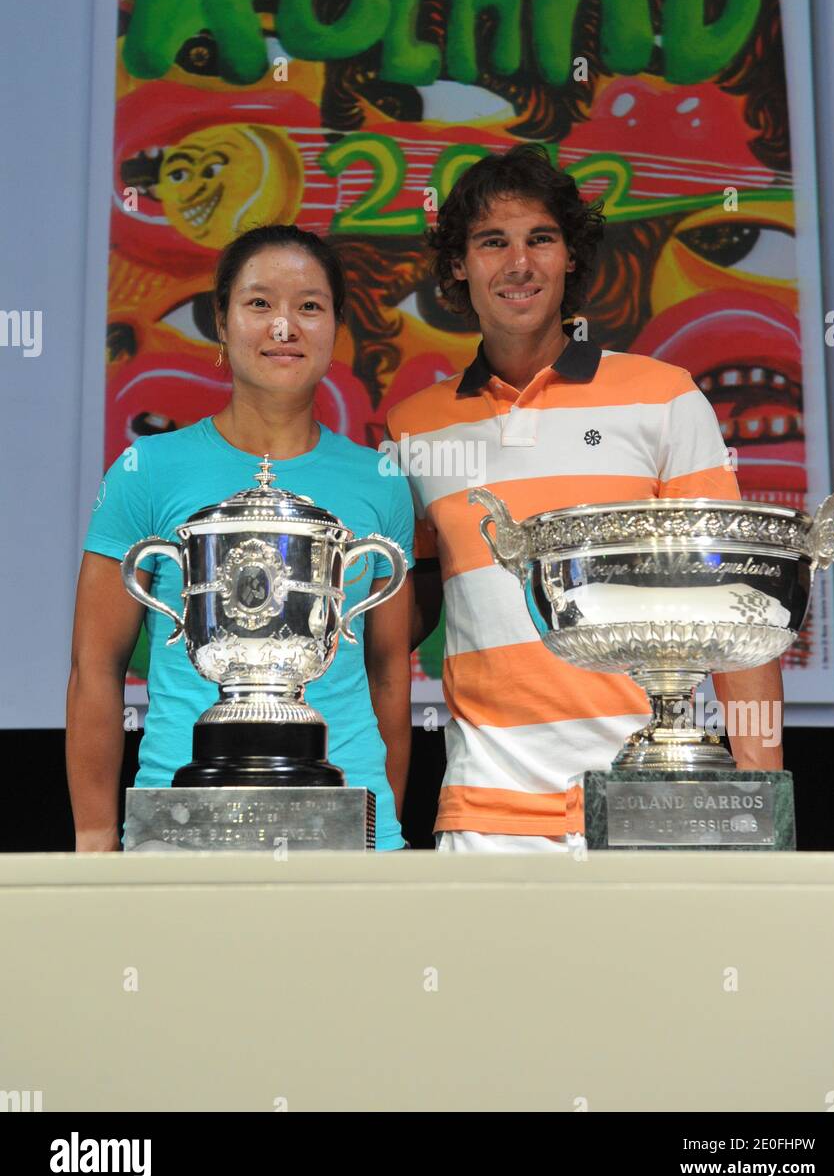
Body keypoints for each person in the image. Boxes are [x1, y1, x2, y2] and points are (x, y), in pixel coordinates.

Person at [386, 144, 783, 853]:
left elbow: (740, 614)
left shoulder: (663, 395)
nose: (518, 263)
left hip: (652, 801)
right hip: (487, 819)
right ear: (457, 264)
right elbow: (392, 624)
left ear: (570, 257)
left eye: (540, 238)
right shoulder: (414, 427)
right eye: (490, 242)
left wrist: (759, 805)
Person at [67, 224, 414, 852]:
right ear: (221, 325)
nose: (284, 327)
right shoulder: (147, 471)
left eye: (309, 306)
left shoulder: (380, 480)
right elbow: (96, 668)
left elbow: (389, 671)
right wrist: (95, 839)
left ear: (336, 328)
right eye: (259, 304)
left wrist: (380, 819)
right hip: (182, 816)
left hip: (347, 819)